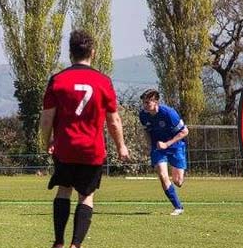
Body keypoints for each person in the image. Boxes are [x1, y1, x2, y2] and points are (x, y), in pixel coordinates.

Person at [40, 29, 130, 248]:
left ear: (70, 53)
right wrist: (121, 146)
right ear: (93, 52)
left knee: (64, 190)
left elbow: (47, 118)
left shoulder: (57, 80)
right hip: (92, 150)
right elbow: (114, 120)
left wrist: (47, 141)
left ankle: (59, 242)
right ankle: (76, 245)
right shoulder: (103, 81)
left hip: (65, 147)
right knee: (86, 196)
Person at [137, 89, 190, 216]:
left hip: (175, 146)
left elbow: (185, 132)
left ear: (156, 102)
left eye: (148, 102)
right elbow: (147, 131)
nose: (145, 105)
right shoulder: (143, 115)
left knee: (178, 181)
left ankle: (176, 181)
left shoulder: (169, 113)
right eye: (144, 103)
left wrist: (167, 144)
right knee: (162, 175)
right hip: (158, 148)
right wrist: (149, 145)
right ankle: (178, 207)